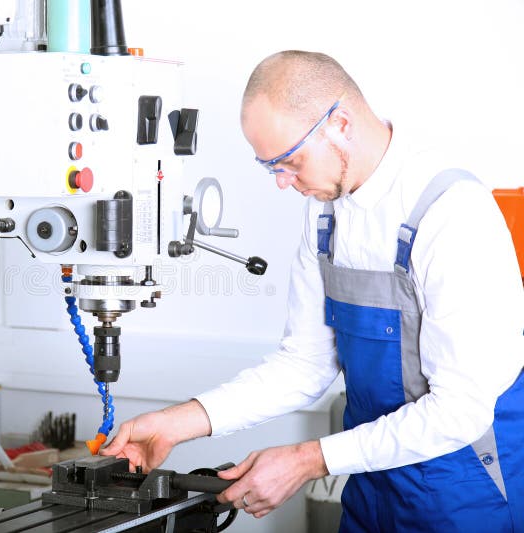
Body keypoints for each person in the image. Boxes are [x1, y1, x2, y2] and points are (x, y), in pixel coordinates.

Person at [101, 50, 524, 530]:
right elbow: (306, 363)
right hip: (370, 485)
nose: (283, 183)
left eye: (290, 161)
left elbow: (458, 412)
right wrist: (176, 424)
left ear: (340, 124)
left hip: (464, 492)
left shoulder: (450, 212)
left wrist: (308, 460)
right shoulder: (325, 214)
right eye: (270, 167)